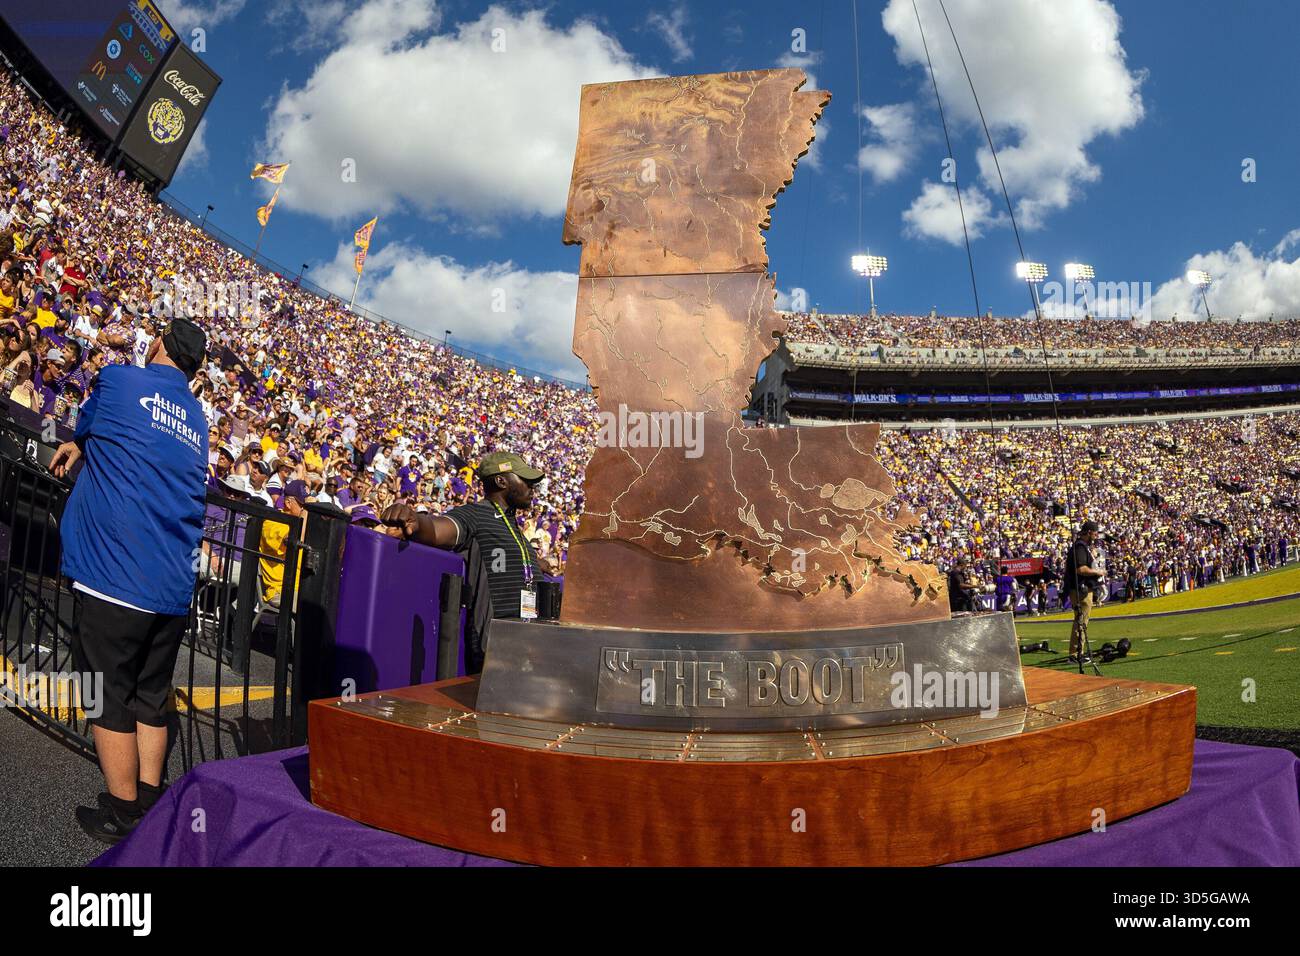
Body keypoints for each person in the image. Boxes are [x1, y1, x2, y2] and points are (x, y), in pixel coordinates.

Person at [50, 318, 209, 844]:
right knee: (150, 694)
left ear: (159, 344)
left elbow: (92, 419)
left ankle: (121, 813)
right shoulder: (198, 419)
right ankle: (147, 798)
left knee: (104, 692)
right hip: (171, 584)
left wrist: (79, 442)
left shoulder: (120, 380)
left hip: (116, 575)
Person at [382, 452, 558, 663]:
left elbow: (506, 556)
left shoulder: (512, 526)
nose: (532, 488)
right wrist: (417, 521)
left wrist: (536, 562)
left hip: (529, 637)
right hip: (497, 643)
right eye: (525, 480)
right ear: (501, 481)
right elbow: (441, 529)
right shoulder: (475, 514)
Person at [1063, 520, 1105, 663]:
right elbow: (1080, 569)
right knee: (1081, 621)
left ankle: (1077, 652)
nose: (1096, 535)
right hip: (1080, 588)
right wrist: (1097, 572)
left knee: (1082, 621)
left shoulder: (1083, 547)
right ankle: (1075, 655)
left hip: (1083, 588)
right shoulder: (1080, 547)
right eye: (1095, 533)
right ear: (1088, 532)